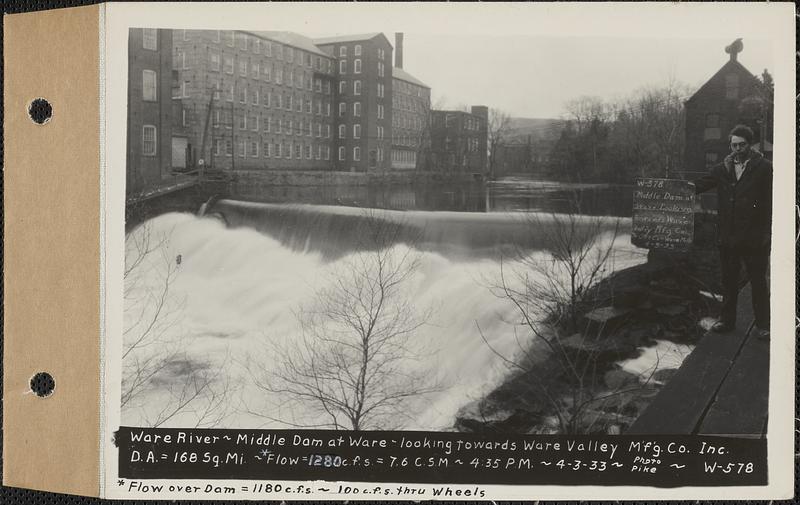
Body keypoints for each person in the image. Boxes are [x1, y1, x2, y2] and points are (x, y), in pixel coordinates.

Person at [693, 124, 772, 338]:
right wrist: (673, 190)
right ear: (730, 145)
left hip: (755, 239)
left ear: (750, 144)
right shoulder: (722, 169)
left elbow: (770, 203)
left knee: (757, 282)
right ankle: (727, 321)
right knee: (728, 281)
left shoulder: (765, 168)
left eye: (742, 144)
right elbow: (700, 184)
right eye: (734, 145)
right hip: (728, 238)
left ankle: (764, 325)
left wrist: (767, 235)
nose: (737, 149)